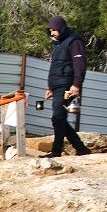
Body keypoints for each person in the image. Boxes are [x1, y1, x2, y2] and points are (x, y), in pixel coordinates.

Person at [43, 16, 90, 158]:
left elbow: (79, 64)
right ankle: (81, 149)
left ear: (61, 28)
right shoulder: (58, 44)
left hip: (68, 86)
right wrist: (51, 88)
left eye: (54, 30)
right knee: (60, 118)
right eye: (50, 30)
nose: (52, 33)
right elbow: (56, 67)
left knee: (58, 117)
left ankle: (56, 151)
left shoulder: (74, 41)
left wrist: (76, 84)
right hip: (58, 86)